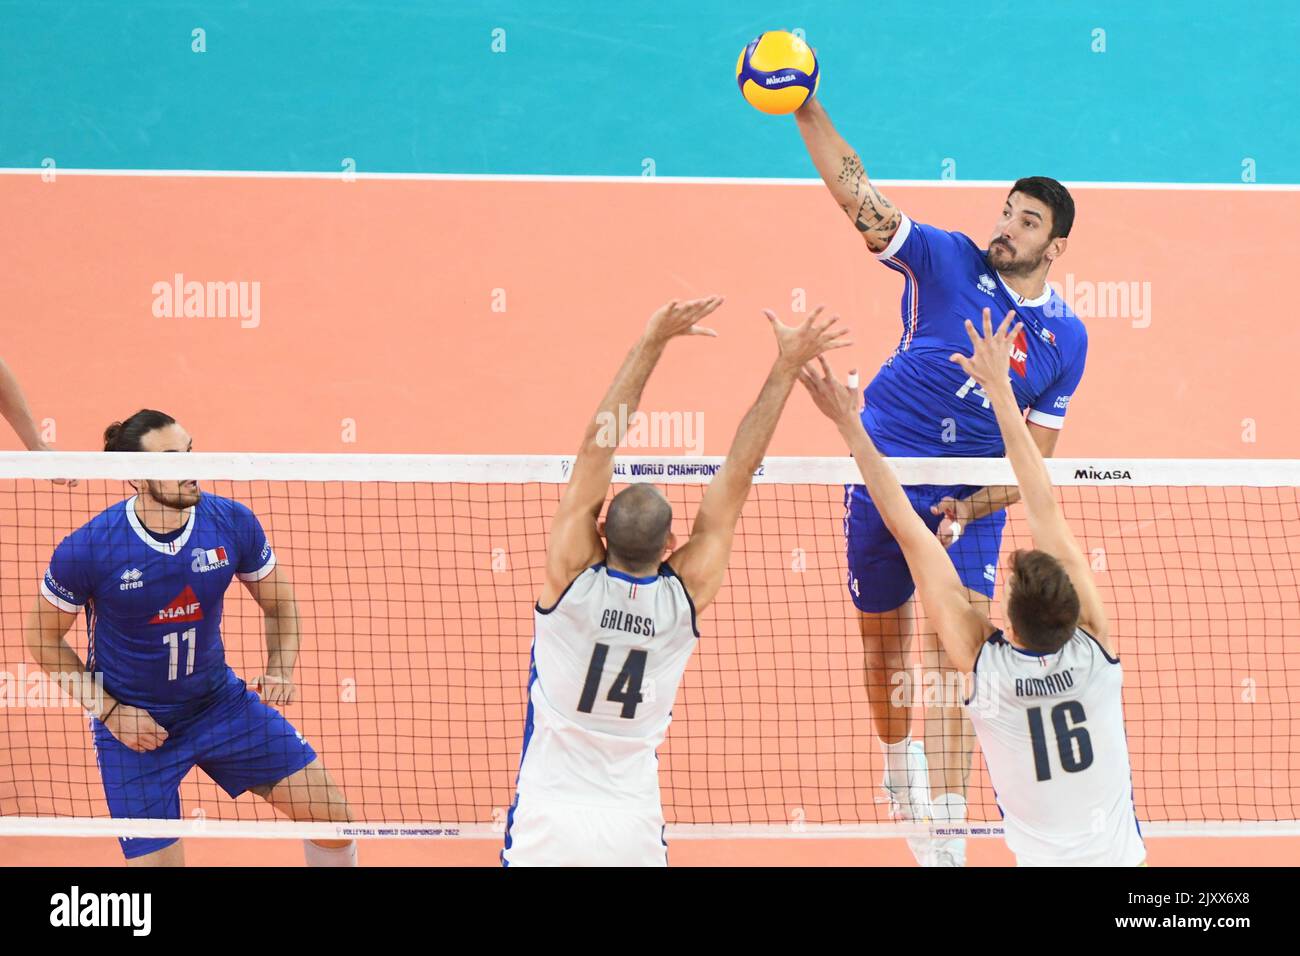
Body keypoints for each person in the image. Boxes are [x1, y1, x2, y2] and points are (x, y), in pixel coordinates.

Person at [791, 92, 1089, 865]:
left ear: (1055, 247)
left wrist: (975, 503)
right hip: (886, 470)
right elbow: (859, 197)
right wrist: (807, 109)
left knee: (959, 653)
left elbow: (1039, 463)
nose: (1007, 227)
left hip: (971, 494)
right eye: (1007, 211)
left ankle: (949, 835)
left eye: (1028, 222)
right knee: (885, 651)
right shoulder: (947, 257)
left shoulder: (1064, 338)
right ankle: (900, 766)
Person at [502, 296, 850, 865]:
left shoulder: (570, 579)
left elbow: (597, 447)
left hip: (549, 814)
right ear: (671, 546)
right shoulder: (683, 597)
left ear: (600, 531)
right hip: (631, 824)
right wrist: (785, 367)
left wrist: (651, 343)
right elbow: (736, 477)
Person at [798, 308, 1144, 866]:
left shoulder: (989, 669)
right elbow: (1043, 502)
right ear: (1076, 609)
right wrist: (1005, 395)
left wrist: (849, 425)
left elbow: (910, 532)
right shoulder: (1096, 652)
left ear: (1005, 615)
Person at [24, 409, 356, 866]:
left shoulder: (231, 522)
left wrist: (280, 666)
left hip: (221, 705)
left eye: (190, 451)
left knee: (335, 822)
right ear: (136, 478)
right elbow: (41, 637)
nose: (190, 467)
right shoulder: (89, 549)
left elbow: (281, 604)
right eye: (170, 459)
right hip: (135, 727)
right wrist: (111, 711)